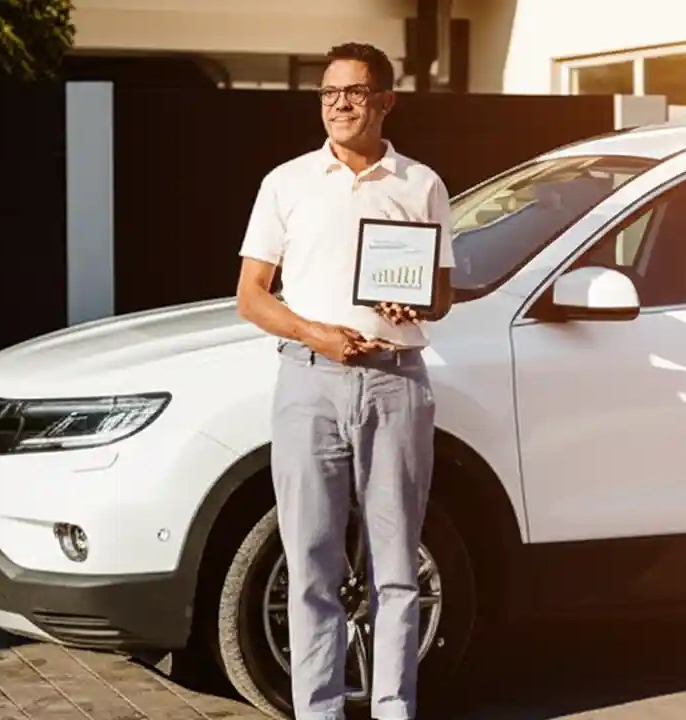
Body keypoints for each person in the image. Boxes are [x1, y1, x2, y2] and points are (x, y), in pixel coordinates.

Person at [234, 41, 454, 720]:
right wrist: (315, 333)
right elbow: (252, 296)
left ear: (386, 100)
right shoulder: (286, 183)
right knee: (311, 567)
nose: (339, 105)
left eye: (354, 92)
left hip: (395, 384)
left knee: (395, 569)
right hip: (309, 385)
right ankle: (319, 712)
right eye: (329, 93)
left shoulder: (420, 184)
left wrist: (416, 302)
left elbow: (441, 293)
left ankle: (393, 709)